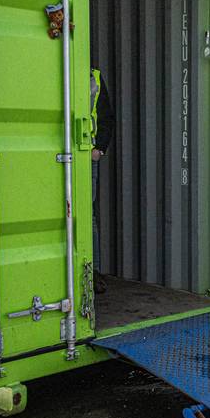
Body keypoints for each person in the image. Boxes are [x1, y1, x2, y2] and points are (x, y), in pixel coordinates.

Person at [90, 67, 116, 294]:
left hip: (86, 156)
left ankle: (93, 273)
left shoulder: (95, 76)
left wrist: (100, 149)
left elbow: (106, 116)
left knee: (88, 216)